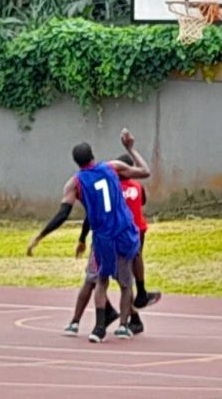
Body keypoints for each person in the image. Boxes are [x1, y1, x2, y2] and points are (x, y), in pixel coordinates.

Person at [27, 128, 149, 343]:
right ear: (93, 155)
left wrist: (40, 236)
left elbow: (63, 214)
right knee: (125, 283)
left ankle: (99, 328)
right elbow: (145, 171)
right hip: (123, 231)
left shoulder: (75, 183)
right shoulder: (112, 167)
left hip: (103, 236)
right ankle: (123, 325)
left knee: (101, 280)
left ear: (76, 162)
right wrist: (130, 148)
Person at [69, 152, 160, 336]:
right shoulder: (137, 187)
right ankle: (137, 301)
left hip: (110, 236)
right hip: (134, 232)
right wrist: (131, 149)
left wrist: (82, 238)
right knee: (127, 277)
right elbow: (142, 199)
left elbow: (92, 215)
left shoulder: (110, 187)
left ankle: (93, 321)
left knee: (98, 279)